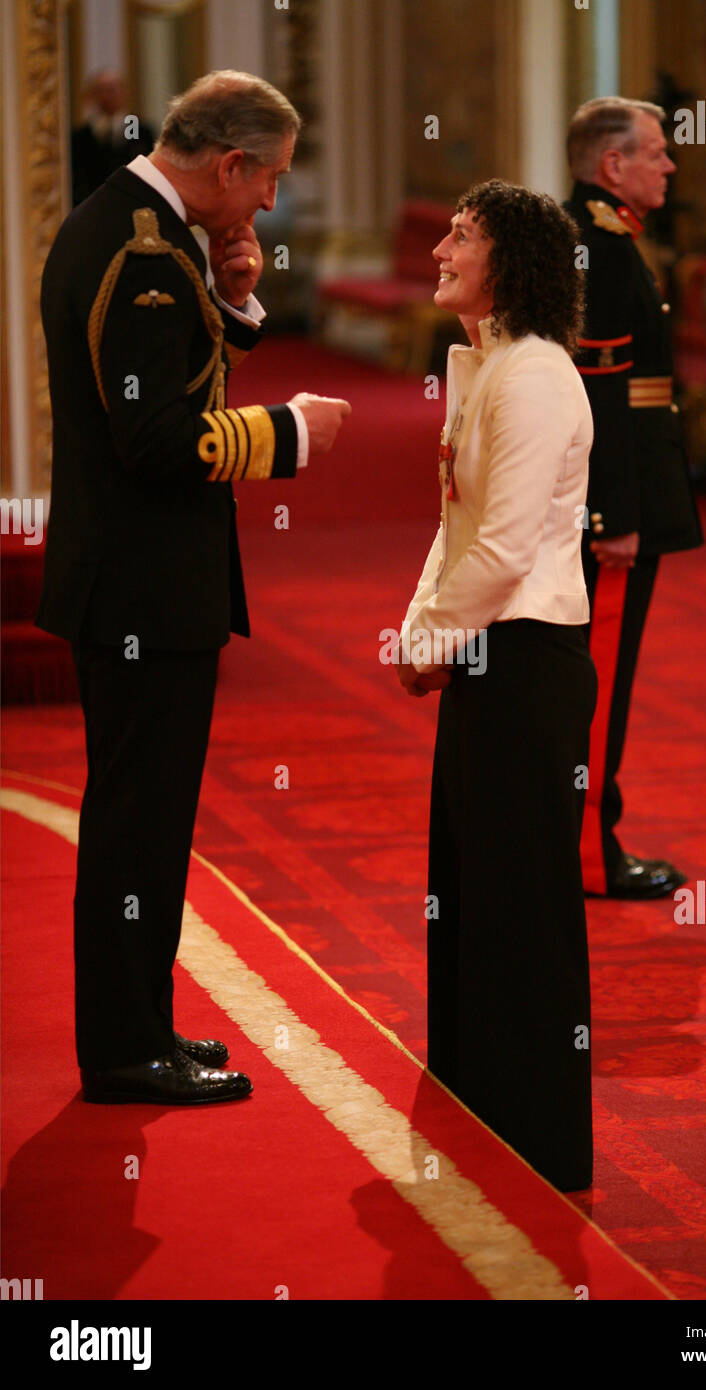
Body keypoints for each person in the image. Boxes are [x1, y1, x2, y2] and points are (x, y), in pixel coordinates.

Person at [37, 70, 350, 1104]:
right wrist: (291, 434)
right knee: (139, 822)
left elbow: (175, 365)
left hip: (135, 581)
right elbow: (158, 439)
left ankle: (141, 1022)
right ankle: (126, 1047)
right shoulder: (141, 253)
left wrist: (234, 294)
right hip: (139, 591)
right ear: (228, 163)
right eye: (266, 182)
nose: (268, 202)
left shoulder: (143, 232)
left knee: (146, 821)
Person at [397, 181, 597, 1193]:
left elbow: (510, 545)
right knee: (469, 888)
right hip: (488, 654)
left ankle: (542, 1140)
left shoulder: (533, 377)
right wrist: (419, 633)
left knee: (524, 904)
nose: (438, 247)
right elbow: (456, 526)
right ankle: (481, 1106)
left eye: (460, 236)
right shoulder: (488, 367)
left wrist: (428, 643)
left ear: (507, 261)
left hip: (528, 660)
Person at [564, 97, 703, 900]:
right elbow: (600, 391)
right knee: (600, 679)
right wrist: (612, 516)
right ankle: (590, 851)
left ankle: (585, 836)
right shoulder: (602, 247)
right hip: (614, 505)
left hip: (624, 492)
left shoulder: (601, 237)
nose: (669, 165)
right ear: (613, 165)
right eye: (656, 152)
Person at [71, 71, 155, 206]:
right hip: (93, 204)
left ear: (124, 92)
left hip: (132, 201)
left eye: (113, 89)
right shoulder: (81, 136)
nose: (109, 96)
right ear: (92, 96)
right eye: (102, 90)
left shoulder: (137, 128)